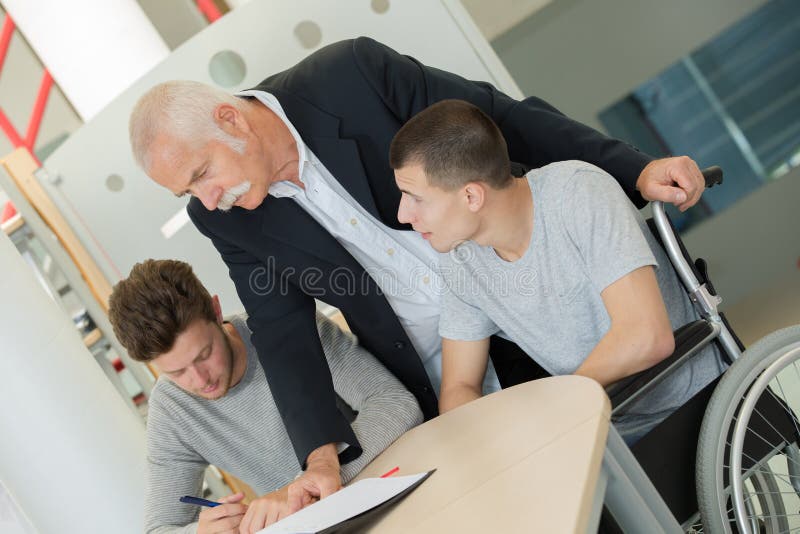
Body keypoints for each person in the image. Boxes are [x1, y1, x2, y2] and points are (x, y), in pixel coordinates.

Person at [128, 36, 708, 497]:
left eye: (202, 174)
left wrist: (630, 169)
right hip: (441, 358)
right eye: (187, 191)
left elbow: (496, 117)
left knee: (621, 465)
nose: (206, 200)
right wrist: (320, 458)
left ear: (231, 121)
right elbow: (281, 332)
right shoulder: (226, 219)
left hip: (536, 294)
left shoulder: (348, 77)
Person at [390, 99, 726, 443]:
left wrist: (554, 411)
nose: (403, 214)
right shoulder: (462, 258)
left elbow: (646, 337)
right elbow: (459, 388)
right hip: (603, 428)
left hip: (696, 406)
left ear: (472, 197)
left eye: (414, 197)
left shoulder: (577, 193)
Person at [107, 259, 422, 534]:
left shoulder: (284, 330)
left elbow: (395, 403)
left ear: (216, 312)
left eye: (204, 354)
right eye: (176, 373)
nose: (200, 380)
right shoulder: (172, 411)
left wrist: (302, 486)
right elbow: (160, 529)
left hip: (387, 490)